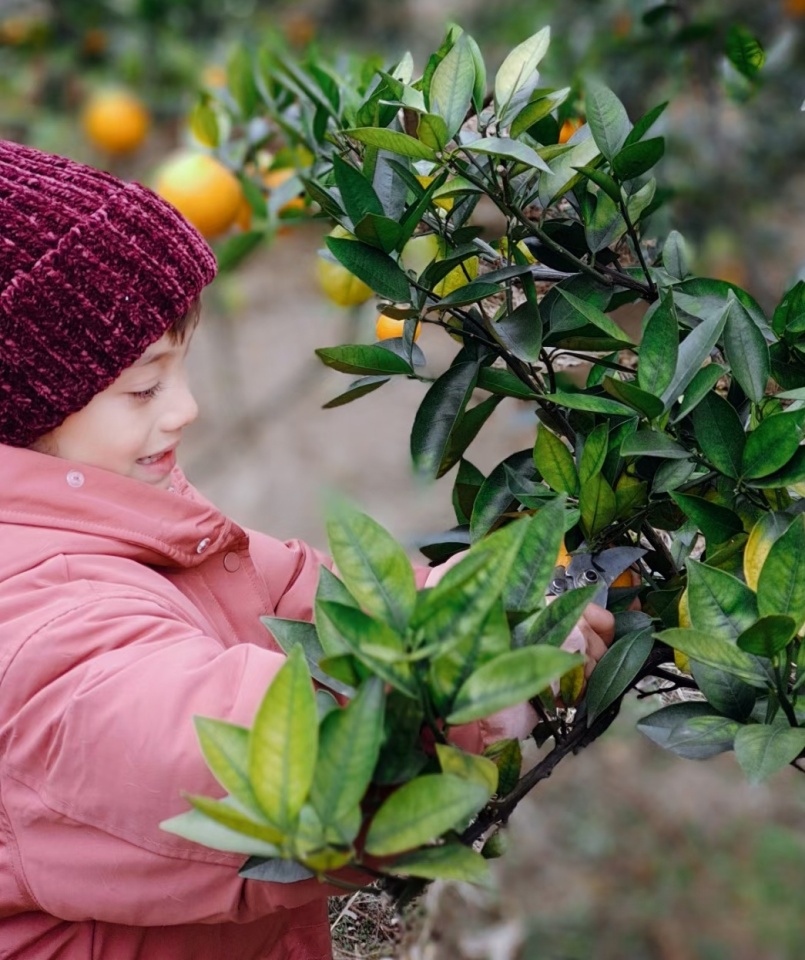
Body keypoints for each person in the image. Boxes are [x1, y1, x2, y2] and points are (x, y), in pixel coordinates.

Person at [0, 138, 615, 960]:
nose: (184, 410)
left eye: (177, 370)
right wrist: (478, 684)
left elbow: (297, 600)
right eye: (143, 387)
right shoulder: (40, 635)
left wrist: (457, 606)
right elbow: (277, 763)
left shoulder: (113, 509)